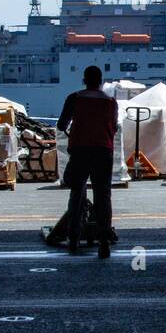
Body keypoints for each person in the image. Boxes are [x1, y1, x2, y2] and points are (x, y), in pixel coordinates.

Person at [56, 66, 119, 258]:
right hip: (103, 152)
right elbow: (114, 127)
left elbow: (61, 125)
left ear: (84, 80)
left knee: (77, 193)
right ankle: (104, 241)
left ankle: (74, 237)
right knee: (103, 196)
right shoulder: (111, 102)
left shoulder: (74, 98)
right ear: (100, 81)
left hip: (80, 151)